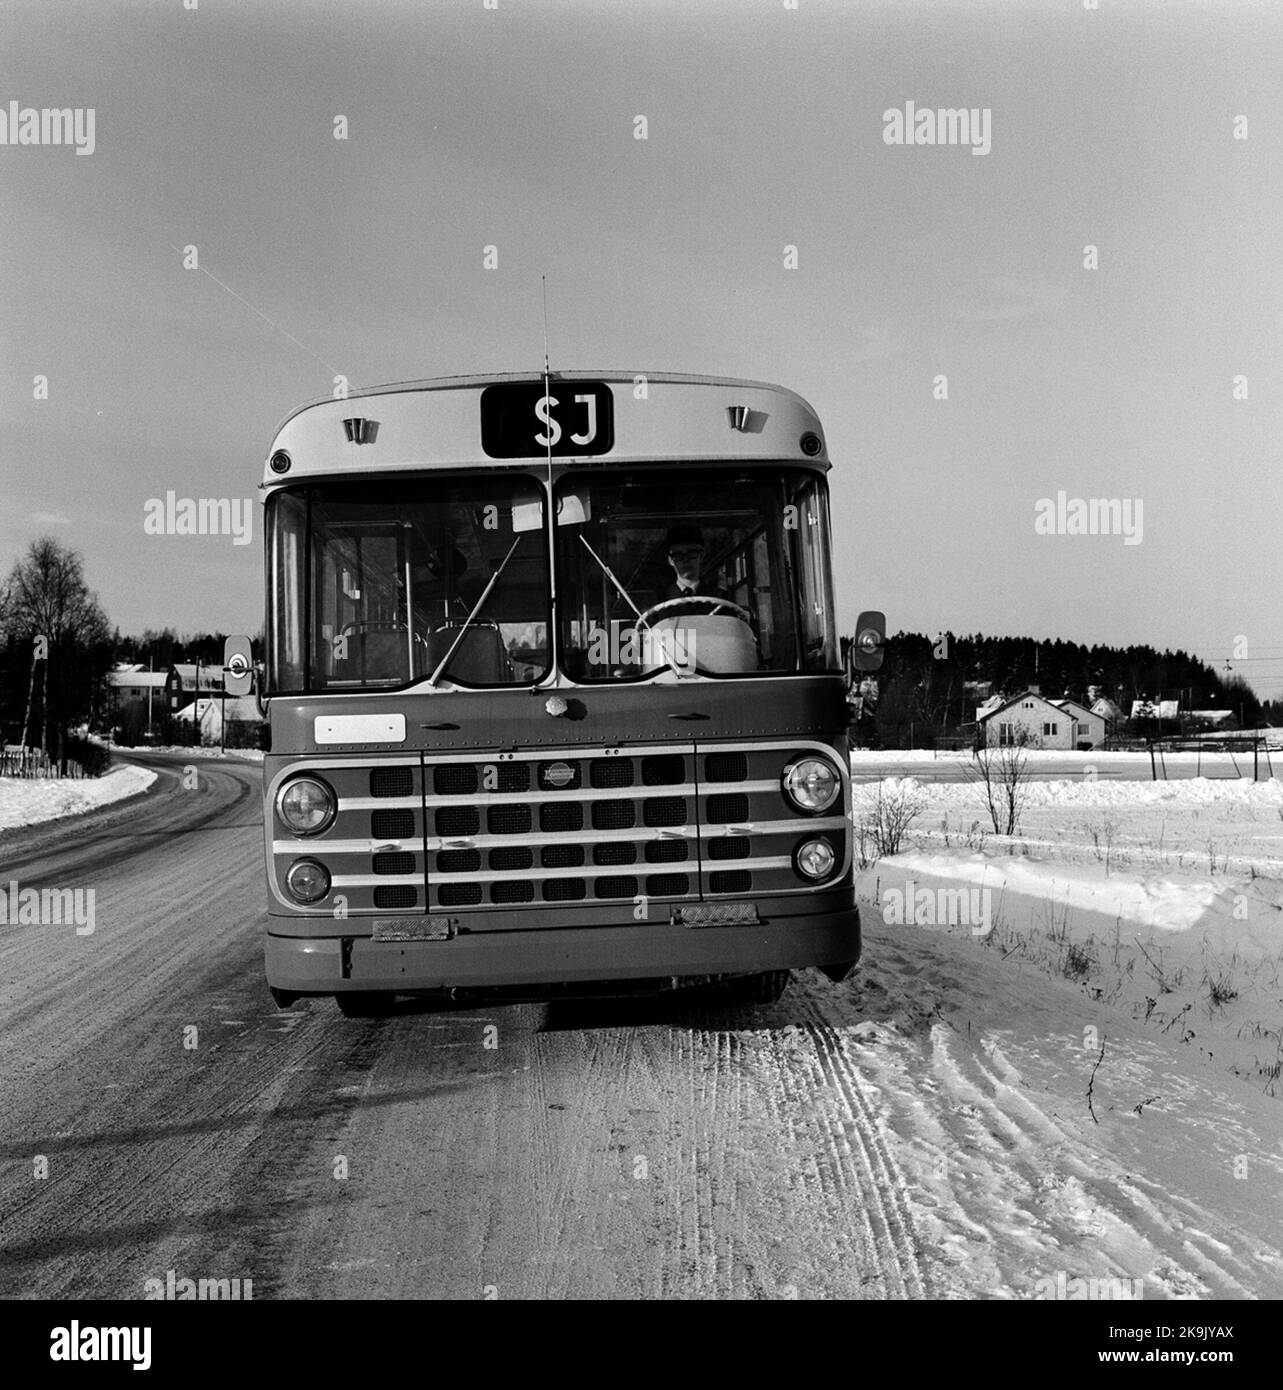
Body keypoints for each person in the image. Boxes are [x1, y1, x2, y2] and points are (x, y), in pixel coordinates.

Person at [661, 524, 729, 602]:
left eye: (691, 553)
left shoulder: (721, 598)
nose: (685, 560)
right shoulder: (660, 600)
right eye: (678, 555)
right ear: (670, 560)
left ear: (702, 555)